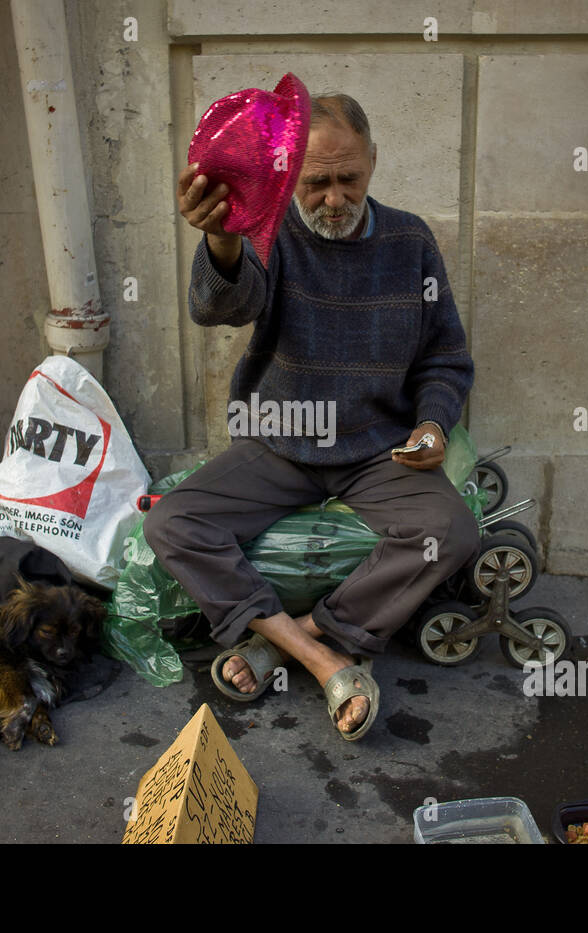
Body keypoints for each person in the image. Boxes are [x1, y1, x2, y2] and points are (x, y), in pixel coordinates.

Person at [145, 91, 478, 740]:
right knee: (173, 522)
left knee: (454, 530)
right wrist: (221, 237)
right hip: (278, 447)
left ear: (374, 163)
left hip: (375, 450)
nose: (333, 198)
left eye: (348, 178)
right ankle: (325, 658)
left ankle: (292, 638)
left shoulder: (410, 241)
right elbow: (222, 306)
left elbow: (445, 356)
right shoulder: (267, 236)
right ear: (289, 175)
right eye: (316, 182)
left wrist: (432, 425)